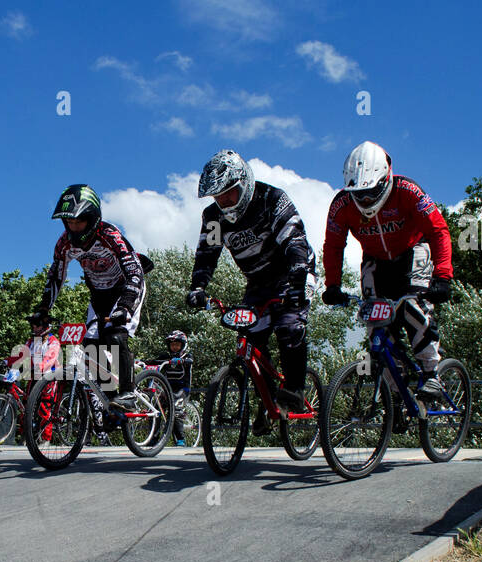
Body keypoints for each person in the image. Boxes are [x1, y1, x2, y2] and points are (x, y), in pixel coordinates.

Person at [186, 149, 316, 436]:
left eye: (229, 194)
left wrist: (297, 279)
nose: (223, 202)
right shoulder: (214, 217)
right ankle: (267, 404)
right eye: (217, 197)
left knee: (288, 326)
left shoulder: (272, 200)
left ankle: (294, 388)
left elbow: (295, 240)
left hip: (293, 271)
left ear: (244, 184)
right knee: (251, 342)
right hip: (258, 283)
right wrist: (198, 287)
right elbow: (208, 253)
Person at [321, 141, 454, 404]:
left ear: (385, 178)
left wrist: (443, 277)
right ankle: (395, 392)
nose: (366, 200)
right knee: (375, 324)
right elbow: (333, 245)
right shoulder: (341, 204)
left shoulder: (408, 191)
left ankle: (431, 374)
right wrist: (332, 285)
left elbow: (438, 231)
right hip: (376, 262)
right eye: (359, 194)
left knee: (414, 309)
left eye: (371, 192)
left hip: (413, 251)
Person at [36, 184, 150, 422]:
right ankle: (112, 405)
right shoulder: (64, 244)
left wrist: (126, 306)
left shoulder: (110, 235)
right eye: (69, 222)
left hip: (126, 288)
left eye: (79, 222)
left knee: (116, 336)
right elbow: (56, 276)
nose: (74, 228)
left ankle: (128, 392)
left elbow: (135, 273)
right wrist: (43, 309)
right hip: (99, 295)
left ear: (93, 218)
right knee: (91, 348)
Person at [153, 331, 194, 445]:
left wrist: (182, 361)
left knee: (176, 410)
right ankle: (153, 438)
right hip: (167, 389)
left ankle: (180, 439)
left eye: (177, 345)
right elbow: (154, 360)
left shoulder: (187, 356)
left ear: (183, 345)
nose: (174, 347)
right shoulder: (166, 356)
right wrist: (141, 362)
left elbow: (190, 361)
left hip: (182, 390)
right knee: (155, 409)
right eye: (172, 345)